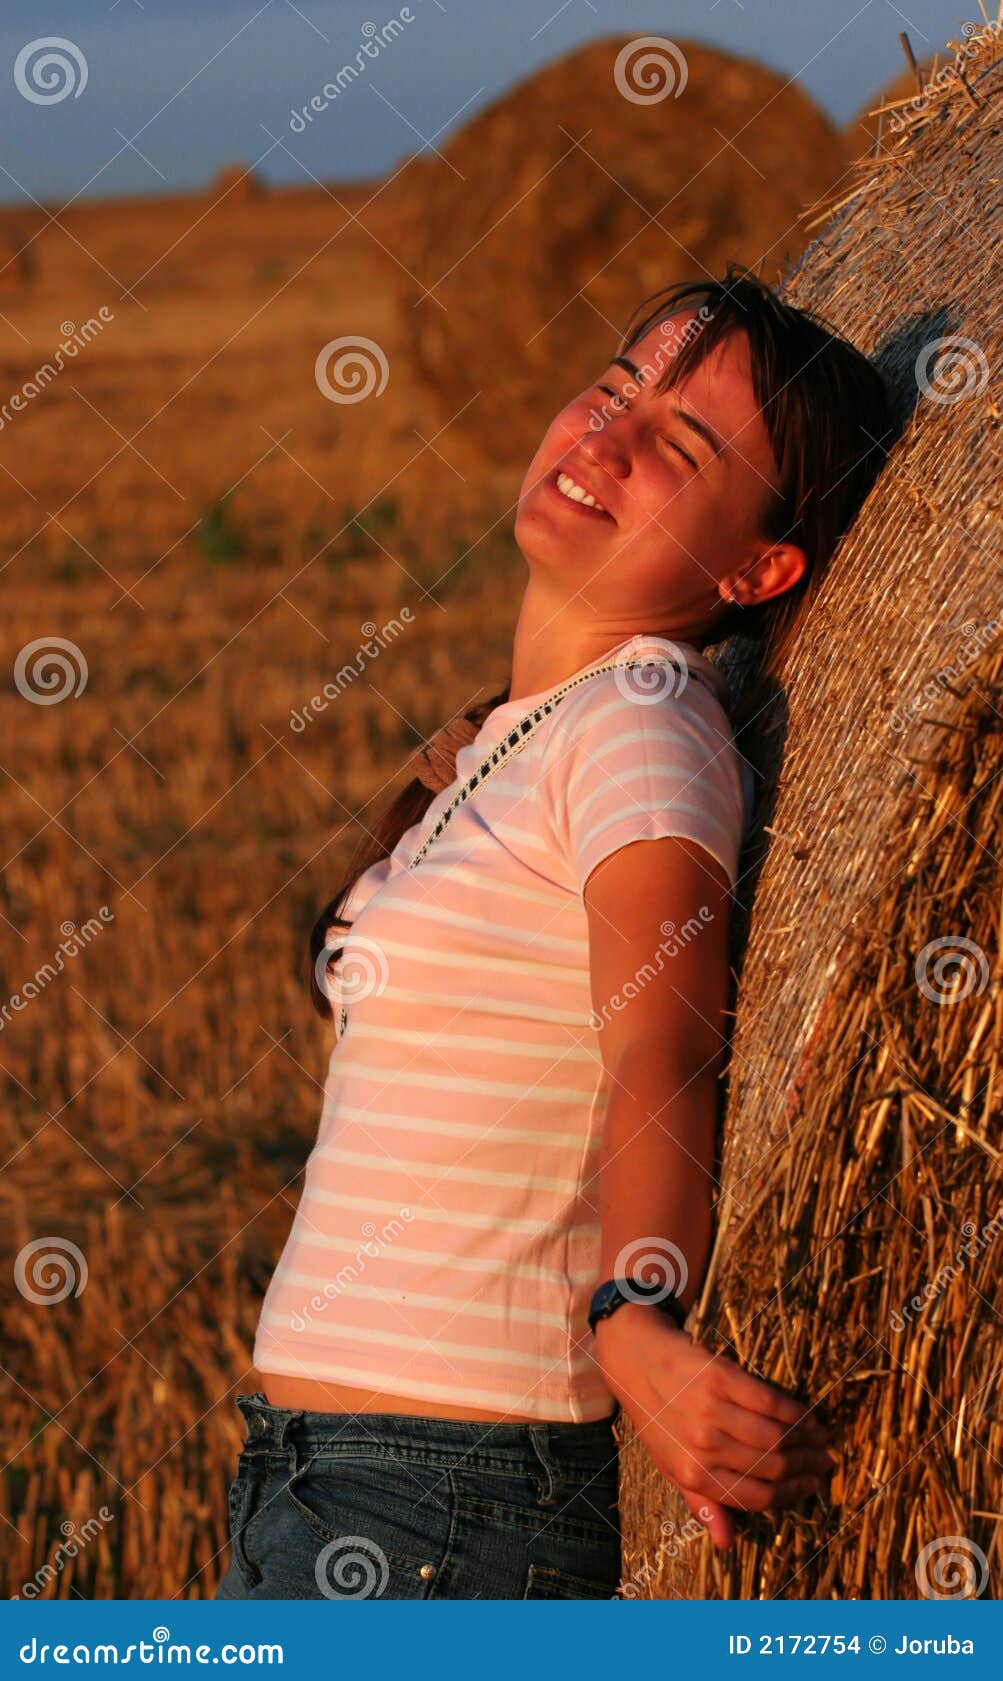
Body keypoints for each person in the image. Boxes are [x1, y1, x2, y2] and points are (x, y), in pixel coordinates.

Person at [215, 264, 893, 1600]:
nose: (608, 435)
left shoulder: (640, 723)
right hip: (334, 1480)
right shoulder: (530, 733)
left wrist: (635, 1315)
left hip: (446, 1506)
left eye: (679, 445)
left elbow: (662, 1044)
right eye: (616, 386)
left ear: (760, 568)